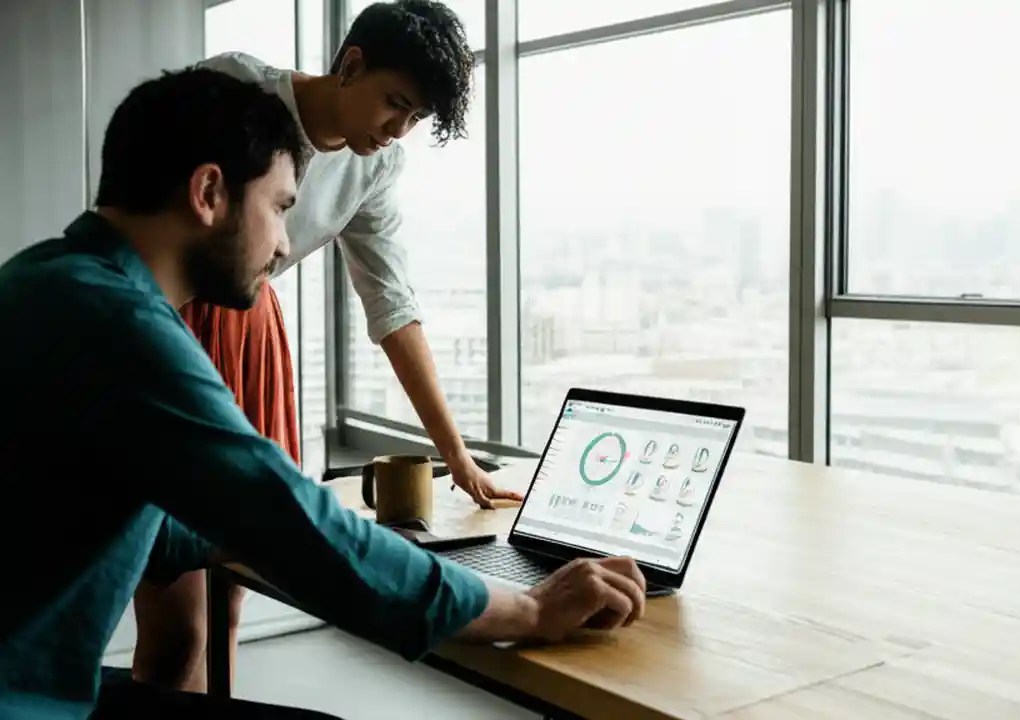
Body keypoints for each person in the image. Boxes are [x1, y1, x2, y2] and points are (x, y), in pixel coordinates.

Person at [0, 67, 646, 719]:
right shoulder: (120, 324)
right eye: (281, 207)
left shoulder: (44, 280)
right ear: (209, 192)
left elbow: (110, 511)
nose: (285, 244)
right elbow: (280, 517)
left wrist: (261, 531)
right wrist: (527, 608)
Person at [133, 0, 523, 692]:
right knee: (176, 624)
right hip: (174, 317)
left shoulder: (376, 167)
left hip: (252, 331)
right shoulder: (237, 87)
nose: (398, 129)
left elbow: (393, 307)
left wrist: (458, 457)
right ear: (352, 64)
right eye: (395, 103)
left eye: (415, 118)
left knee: (229, 600)